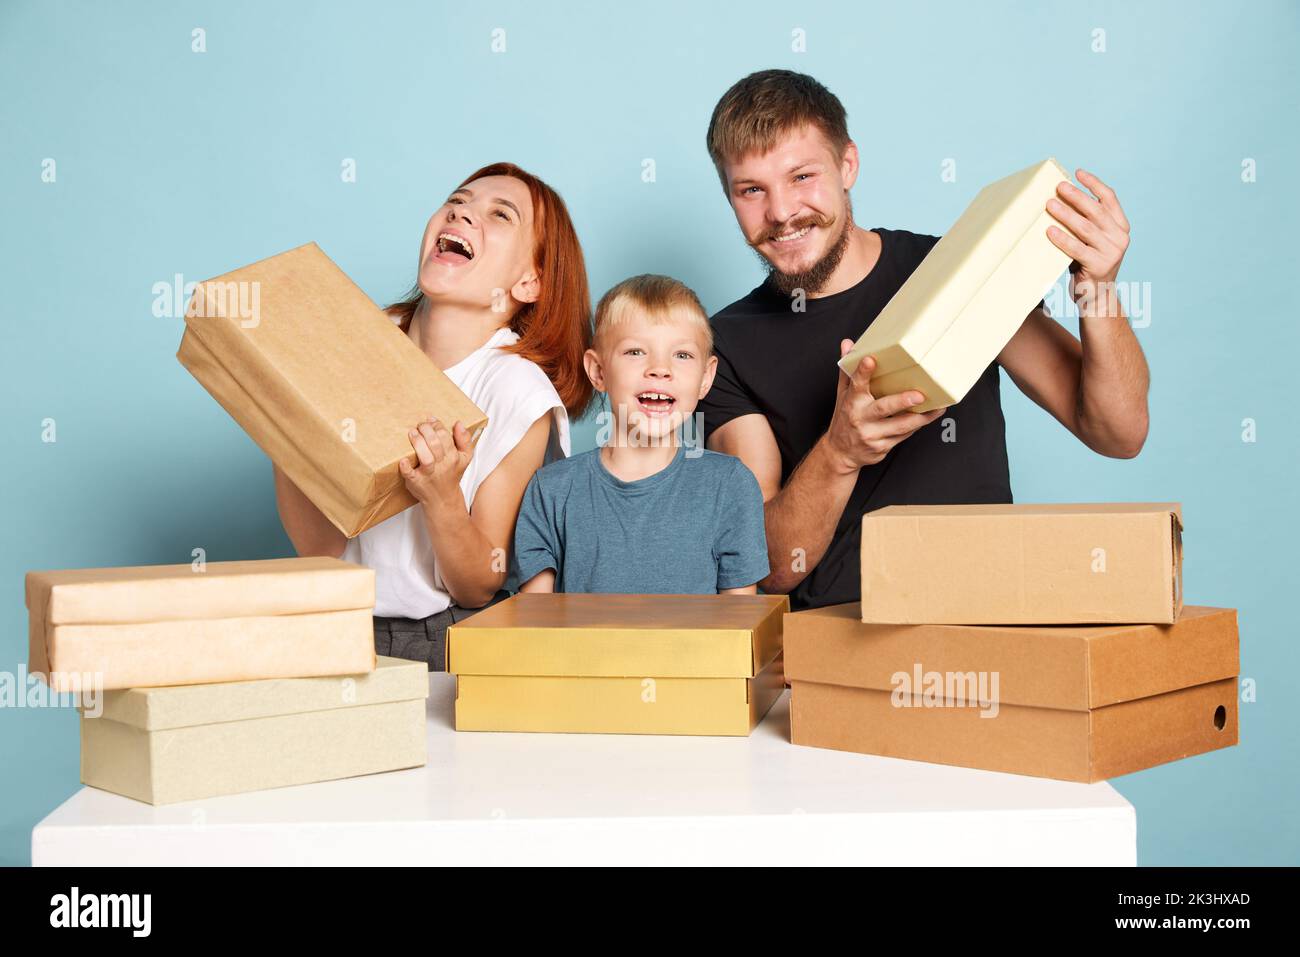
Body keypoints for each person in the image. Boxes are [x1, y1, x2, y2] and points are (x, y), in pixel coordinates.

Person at [700, 69, 1151, 611]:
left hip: (989, 623)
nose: (781, 212)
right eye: (752, 190)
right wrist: (841, 452)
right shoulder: (722, 346)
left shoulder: (954, 271)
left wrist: (1099, 292)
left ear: (848, 165)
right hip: (837, 652)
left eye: (801, 177)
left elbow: (1118, 433)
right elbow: (767, 568)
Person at [274, 162, 593, 666]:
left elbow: (478, 583)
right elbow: (321, 547)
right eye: (458, 201)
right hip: (338, 626)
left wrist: (441, 498)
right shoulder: (359, 343)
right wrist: (283, 424)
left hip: (445, 639)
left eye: (500, 214)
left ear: (531, 280)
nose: (463, 214)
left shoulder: (516, 390)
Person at [514, 275, 769, 595]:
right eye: (635, 352)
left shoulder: (730, 486)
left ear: (706, 378)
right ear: (598, 372)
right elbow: (535, 629)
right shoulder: (551, 491)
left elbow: (739, 626)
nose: (660, 369)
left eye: (682, 355)